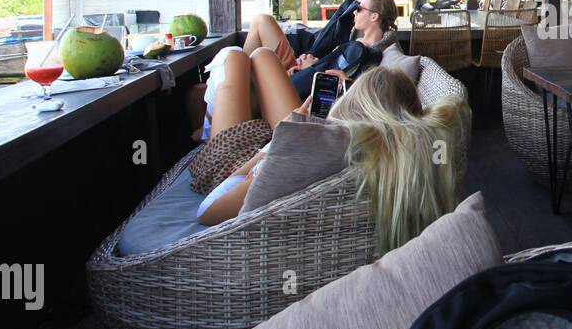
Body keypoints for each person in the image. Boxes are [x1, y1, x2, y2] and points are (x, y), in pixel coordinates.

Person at [198, 67, 469, 249]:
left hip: (233, 209)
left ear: (350, 106)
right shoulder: (407, 158)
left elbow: (208, 212)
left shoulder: (301, 151)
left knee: (236, 61)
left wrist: (271, 146)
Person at [196, 0, 401, 139]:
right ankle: (214, 118)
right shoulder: (355, 43)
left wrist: (338, 79)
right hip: (298, 80)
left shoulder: (370, 55)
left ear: (374, 16)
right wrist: (309, 66)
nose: (354, 13)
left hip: (301, 102)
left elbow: (366, 96)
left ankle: (211, 125)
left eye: (359, 9)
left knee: (248, 55)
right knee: (248, 52)